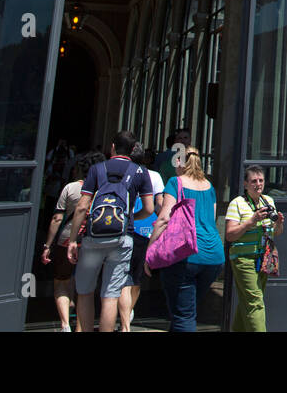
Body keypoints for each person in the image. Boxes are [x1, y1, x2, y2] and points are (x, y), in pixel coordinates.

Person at [67, 132, 155, 332]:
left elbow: (82, 206)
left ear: (113, 147)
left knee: (85, 292)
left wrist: (73, 239)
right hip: (122, 237)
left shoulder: (97, 169)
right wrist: (130, 218)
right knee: (111, 294)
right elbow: (150, 209)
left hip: (93, 237)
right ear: (133, 150)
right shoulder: (141, 172)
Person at [149, 145, 225, 331]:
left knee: (183, 315)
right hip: (214, 255)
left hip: (185, 254)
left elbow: (163, 219)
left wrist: (150, 250)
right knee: (184, 310)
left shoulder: (176, 183)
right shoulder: (209, 186)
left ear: (179, 161)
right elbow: (212, 218)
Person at [41, 149, 102, 331]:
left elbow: (57, 218)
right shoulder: (104, 190)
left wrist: (47, 245)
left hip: (66, 239)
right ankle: (81, 327)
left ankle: (65, 324)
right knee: (86, 286)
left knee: (61, 281)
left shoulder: (71, 188)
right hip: (91, 240)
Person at [225, 164, 285, 332]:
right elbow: (230, 235)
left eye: (261, 180)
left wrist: (279, 224)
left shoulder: (269, 201)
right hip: (243, 258)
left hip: (263, 259)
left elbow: (276, 233)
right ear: (245, 184)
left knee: (248, 301)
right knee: (255, 302)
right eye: (253, 181)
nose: (258, 184)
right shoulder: (237, 204)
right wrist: (251, 221)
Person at [119, 142, 163, 331]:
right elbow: (159, 204)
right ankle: (127, 315)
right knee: (136, 277)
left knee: (122, 277)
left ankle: (125, 320)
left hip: (124, 227)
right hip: (146, 230)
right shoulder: (155, 177)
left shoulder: (121, 173)